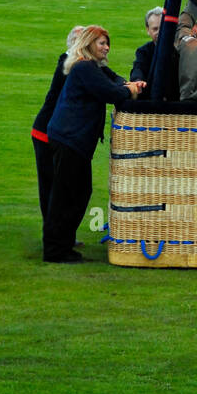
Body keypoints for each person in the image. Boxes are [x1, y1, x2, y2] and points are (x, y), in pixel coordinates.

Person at [43, 26, 145, 263]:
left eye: (107, 43)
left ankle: (61, 245)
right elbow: (110, 92)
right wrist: (129, 90)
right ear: (89, 44)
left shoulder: (91, 66)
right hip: (70, 139)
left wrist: (128, 85)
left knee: (74, 193)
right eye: (101, 43)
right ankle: (56, 249)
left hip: (71, 139)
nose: (107, 47)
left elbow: (114, 79)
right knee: (68, 195)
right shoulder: (85, 68)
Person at [31, 26, 84, 225]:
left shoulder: (75, 65)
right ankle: (53, 234)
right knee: (51, 186)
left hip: (54, 132)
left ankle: (58, 233)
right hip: (46, 133)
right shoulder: (68, 65)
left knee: (60, 186)